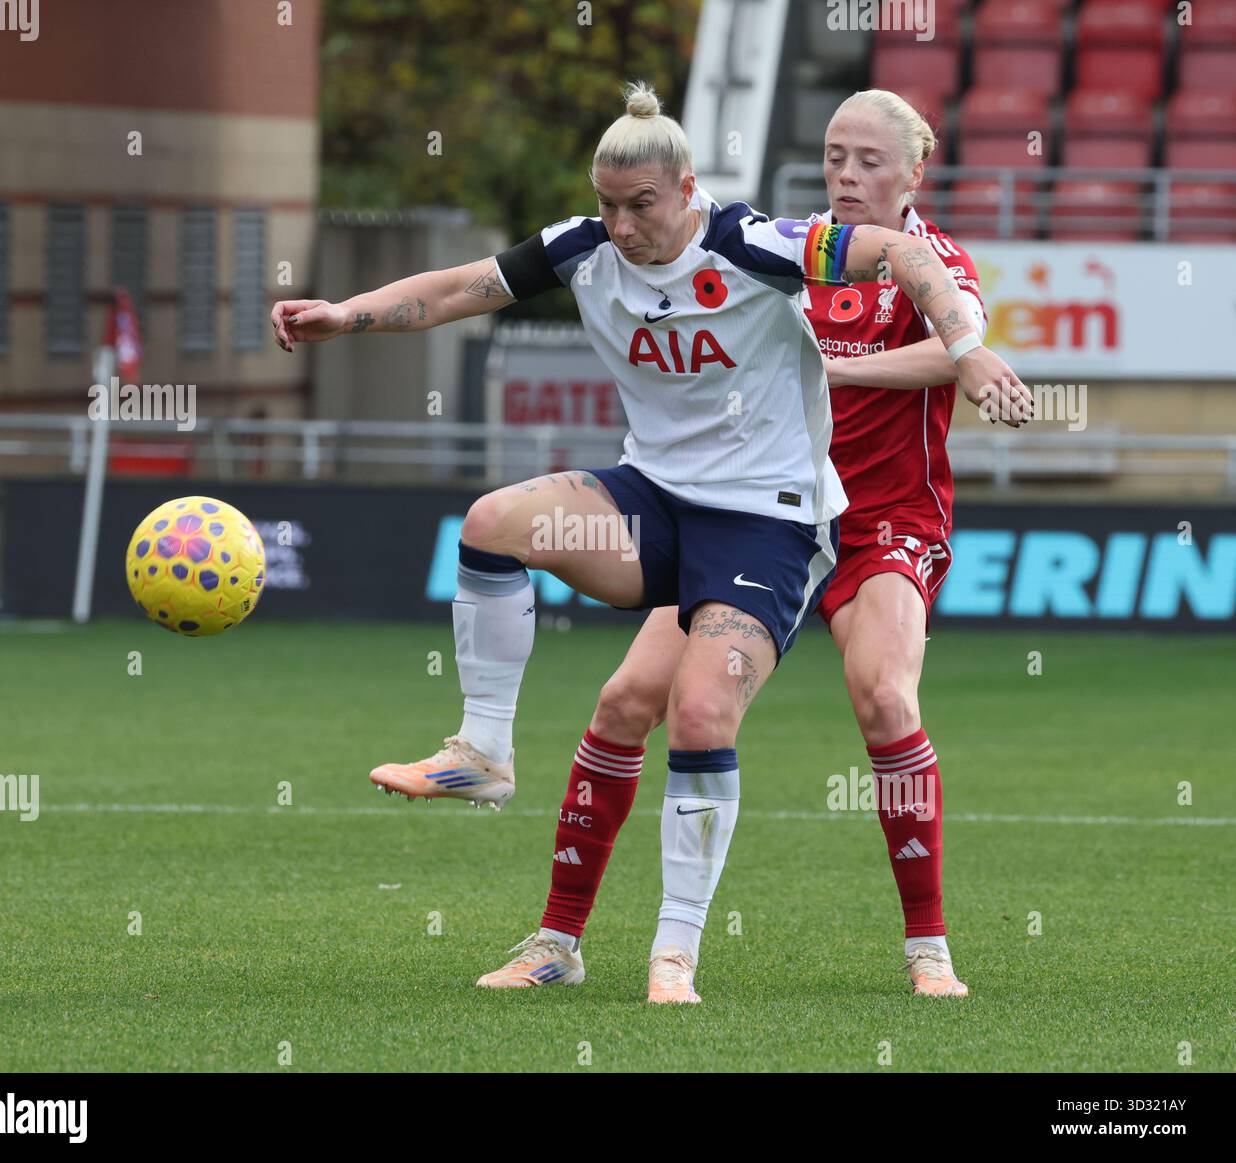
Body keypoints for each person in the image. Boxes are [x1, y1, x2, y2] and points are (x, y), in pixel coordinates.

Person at [271, 82, 1031, 1003]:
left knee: (874, 698)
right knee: (624, 693)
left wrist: (965, 349)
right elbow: (461, 287)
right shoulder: (631, 248)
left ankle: (919, 949)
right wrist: (344, 314)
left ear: (915, 168)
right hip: (682, 505)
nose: (845, 173)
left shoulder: (795, 247)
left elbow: (922, 278)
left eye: (868, 160)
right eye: (835, 156)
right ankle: (544, 910)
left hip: (846, 518)